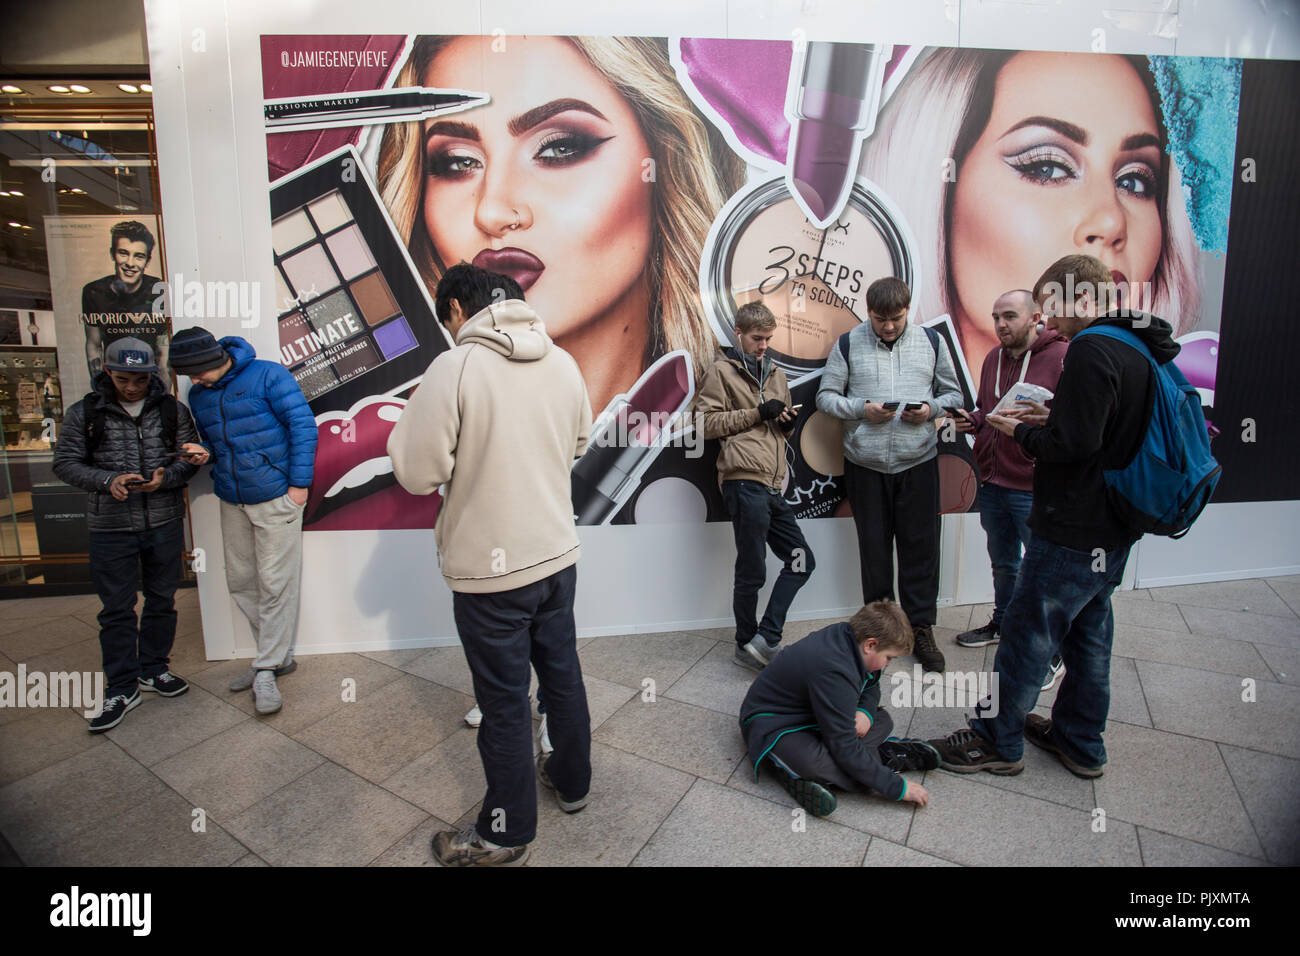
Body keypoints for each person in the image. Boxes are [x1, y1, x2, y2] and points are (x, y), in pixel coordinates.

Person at [930, 254, 1172, 777]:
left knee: (1027, 629)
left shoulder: (1088, 349)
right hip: (1114, 524)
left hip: (1071, 524)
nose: (1050, 322)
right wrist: (1053, 416)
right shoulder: (1136, 348)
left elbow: (1072, 444)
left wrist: (1022, 431)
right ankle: (1081, 742)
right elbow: (1103, 431)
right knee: (1088, 635)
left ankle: (997, 738)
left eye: (1052, 309)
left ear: (1081, 298)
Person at [388, 263, 593, 867]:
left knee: (504, 704)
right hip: (557, 555)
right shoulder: (561, 361)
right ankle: (573, 784)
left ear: (457, 310)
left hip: (491, 573)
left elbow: (415, 470)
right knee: (563, 677)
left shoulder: (455, 367)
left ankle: (503, 833)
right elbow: (580, 443)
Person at [859, 49, 1201, 377]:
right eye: (1047, 167)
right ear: (940, 189)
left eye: (1134, 181)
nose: (1111, 221)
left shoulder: (1166, 396)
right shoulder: (871, 379)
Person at [53, 337, 202, 732]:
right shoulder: (84, 412)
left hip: (164, 522)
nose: (131, 387)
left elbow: (189, 460)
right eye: (123, 378)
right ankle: (121, 687)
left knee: (162, 600)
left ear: (152, 375)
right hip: (111, 527)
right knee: (116, 609)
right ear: (107, 372)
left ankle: (154, 669)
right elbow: (65, 463)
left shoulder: (172, 410)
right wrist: (107, 480)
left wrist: (165, 478)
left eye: (139, 379)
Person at [815, 277, 963, 673]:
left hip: (918, 462)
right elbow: (825, 397)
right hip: (865, 465)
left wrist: (930, 410)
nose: (890, 326)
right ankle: (878, 633)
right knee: (875, 551)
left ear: (908, 309)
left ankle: (921, 630)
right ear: (869, 313)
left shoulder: (932, 342)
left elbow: (954, 395)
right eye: (881, 319)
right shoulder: (848, 343)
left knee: (921, 550)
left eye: (896, 318)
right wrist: (863, 409)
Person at [170, 327, 317, 716]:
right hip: (231, 498)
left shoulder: (269, 374)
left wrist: (299, 486)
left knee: (275, 583)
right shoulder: (198, 395)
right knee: (241, 581)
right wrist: (205, 453)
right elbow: (219, 445)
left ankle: (266, 666)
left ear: (210, 361)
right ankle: (277, 657)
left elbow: (303, 427)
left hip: (275, 496)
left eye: (195, 372)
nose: (193, 381)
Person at [952, 289, 1069, 691]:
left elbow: (1070, 424)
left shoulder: (1061, 357)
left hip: (1033, 487)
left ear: (1036, 316)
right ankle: (1003, 620)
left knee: (1042, 573)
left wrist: (1044, 419)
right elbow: (989, 409)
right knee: (1003, 564)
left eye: (1010, 317)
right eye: (996, 317)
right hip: (992, 481)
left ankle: (1051, 649)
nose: (1001, 324)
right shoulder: (992, 358)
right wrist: (975, 419)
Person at [695, 301, 815, 670]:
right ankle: (746, 643)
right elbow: (704, 424)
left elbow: (780, 426)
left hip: (771, 484)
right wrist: (758, 412)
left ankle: (766, 638)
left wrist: (785, 423)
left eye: (768, 338)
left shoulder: (777, 373)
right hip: (743, 481)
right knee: (753, 570)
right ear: (739, 334)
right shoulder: (721, 371)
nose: (764, 345)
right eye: (757, 338)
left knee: (801, 560)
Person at [739, 600, 938, 816]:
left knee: (882, 720)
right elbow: (843, 745)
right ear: (870, 645)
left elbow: (871, 685)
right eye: (889, 658)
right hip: (775, 724)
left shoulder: (853, 637)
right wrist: (897, 787)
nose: (888, 664)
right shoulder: (835, 670)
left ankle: (868, 766)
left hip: (814, 714)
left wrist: (865, 713)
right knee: (820, 765)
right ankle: (793, 770)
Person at [81, 221, 171, 387]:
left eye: (139, 256)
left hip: (149, 377)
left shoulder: (158, 290)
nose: (130, 263)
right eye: (123, 253)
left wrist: (164, 395)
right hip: (113, 375)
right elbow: (93, 344)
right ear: (112, 254)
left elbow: (163, 352)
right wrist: (101, 387)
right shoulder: (94, 292)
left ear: (147, 260)